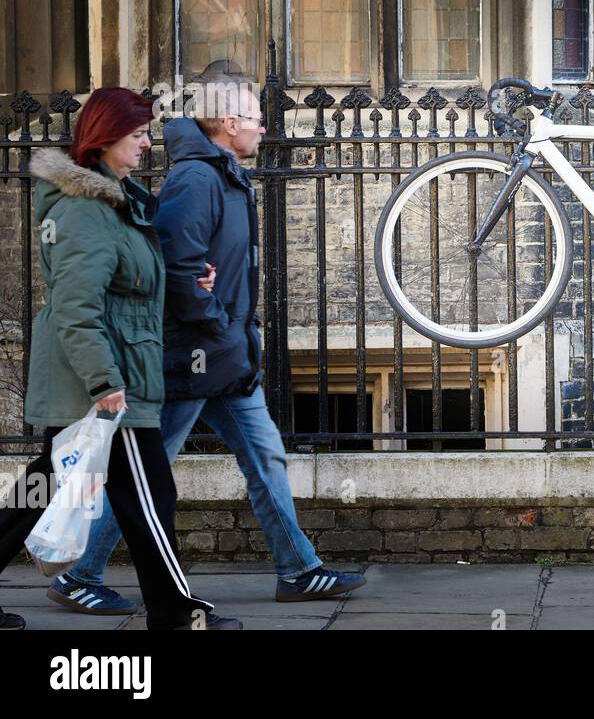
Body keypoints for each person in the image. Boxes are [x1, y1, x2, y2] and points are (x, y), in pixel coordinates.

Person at [46, 80, 364, 616]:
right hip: (190, 357)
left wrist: (234, 334)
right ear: (230, 125)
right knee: (145, 477)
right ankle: (78, 573)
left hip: (224, 355)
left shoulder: (223, 174)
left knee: (265, 457)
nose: (266, 125)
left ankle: (299, 569)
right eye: (256, 117)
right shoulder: (197, 178)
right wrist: (217, 324)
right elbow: (174, 266)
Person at [0, 88, 240, 630]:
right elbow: (76, 306)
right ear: (105, 139)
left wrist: (192, 282)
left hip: (103, 376)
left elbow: (133, 286)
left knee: (42, 488)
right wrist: (104, 383)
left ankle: (173, 610)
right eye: (137, 135)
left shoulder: (120, 199)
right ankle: (176, 613)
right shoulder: (86, 209)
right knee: (150, 499)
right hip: (108, 383)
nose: (147, 143)